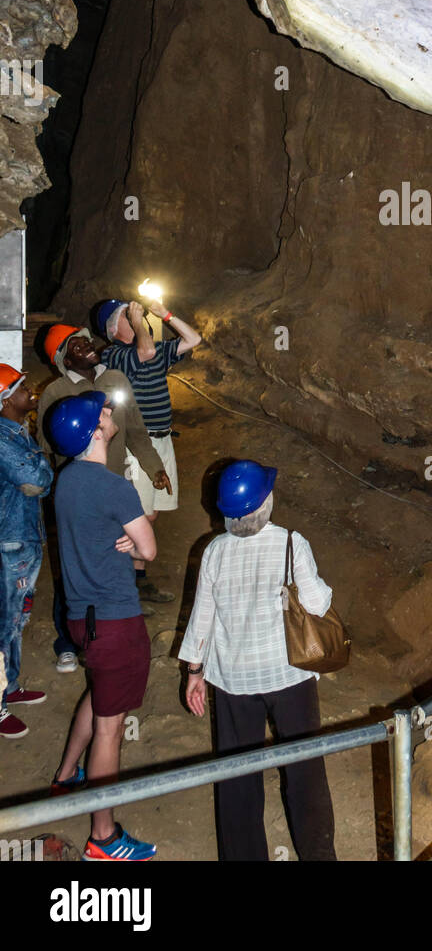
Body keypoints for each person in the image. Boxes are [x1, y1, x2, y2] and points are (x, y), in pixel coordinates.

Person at [179, 459, 337, 861]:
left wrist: (194, 672)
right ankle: (318, 854)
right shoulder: (290, 543)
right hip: (288, 675)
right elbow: (317, 604)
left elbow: (203, 616)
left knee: (237, 774)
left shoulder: (213, 551)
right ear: (265, 502)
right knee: (304, 771)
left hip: (233, 680)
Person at [44, 391, 158, 861]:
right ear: (95, 433)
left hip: (81, 620)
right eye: (103, 414)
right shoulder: (115, 487)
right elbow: (148, 551)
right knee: (111, 728)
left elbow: (94, 530)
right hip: (113, 620)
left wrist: (120, 536)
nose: (109, 413)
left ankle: (66, 775)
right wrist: (131, 542)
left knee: (99, 694)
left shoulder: (65, 479)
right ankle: (103, 837)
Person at [37, 323, 174, 613]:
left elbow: (136, 430)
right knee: (80, 559)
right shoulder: (57, 392)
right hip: (81, 490)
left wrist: (154, 468)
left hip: (115, 483)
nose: (87, 346)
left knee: (121, 547)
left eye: (86, 341)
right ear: (66, 361)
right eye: (76, 346)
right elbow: (46, 446)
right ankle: (72, 634)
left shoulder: (116, 379)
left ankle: (121, 608)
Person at [96, 296, 201, 514]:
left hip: (164, 440)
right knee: (140, 514)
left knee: (155, 512)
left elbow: (193, 339)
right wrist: (137, 322)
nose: (137, 318)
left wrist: (166, 315)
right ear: (113, 328)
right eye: (126, 316)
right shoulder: (113, 354)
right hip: (138, 445)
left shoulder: (158, 349)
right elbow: (146, 352)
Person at [0, 366, 53, 739]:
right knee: (4, 623)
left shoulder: (16, 433)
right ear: (4, 401)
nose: (30, 391)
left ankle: (9, 685)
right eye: (20, 388)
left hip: (23, 537)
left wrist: (41, 470)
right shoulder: (2, 440)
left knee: (17, 619)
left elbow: (38, 478)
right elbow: (36, 482)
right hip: (9, 542)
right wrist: (43, 468)